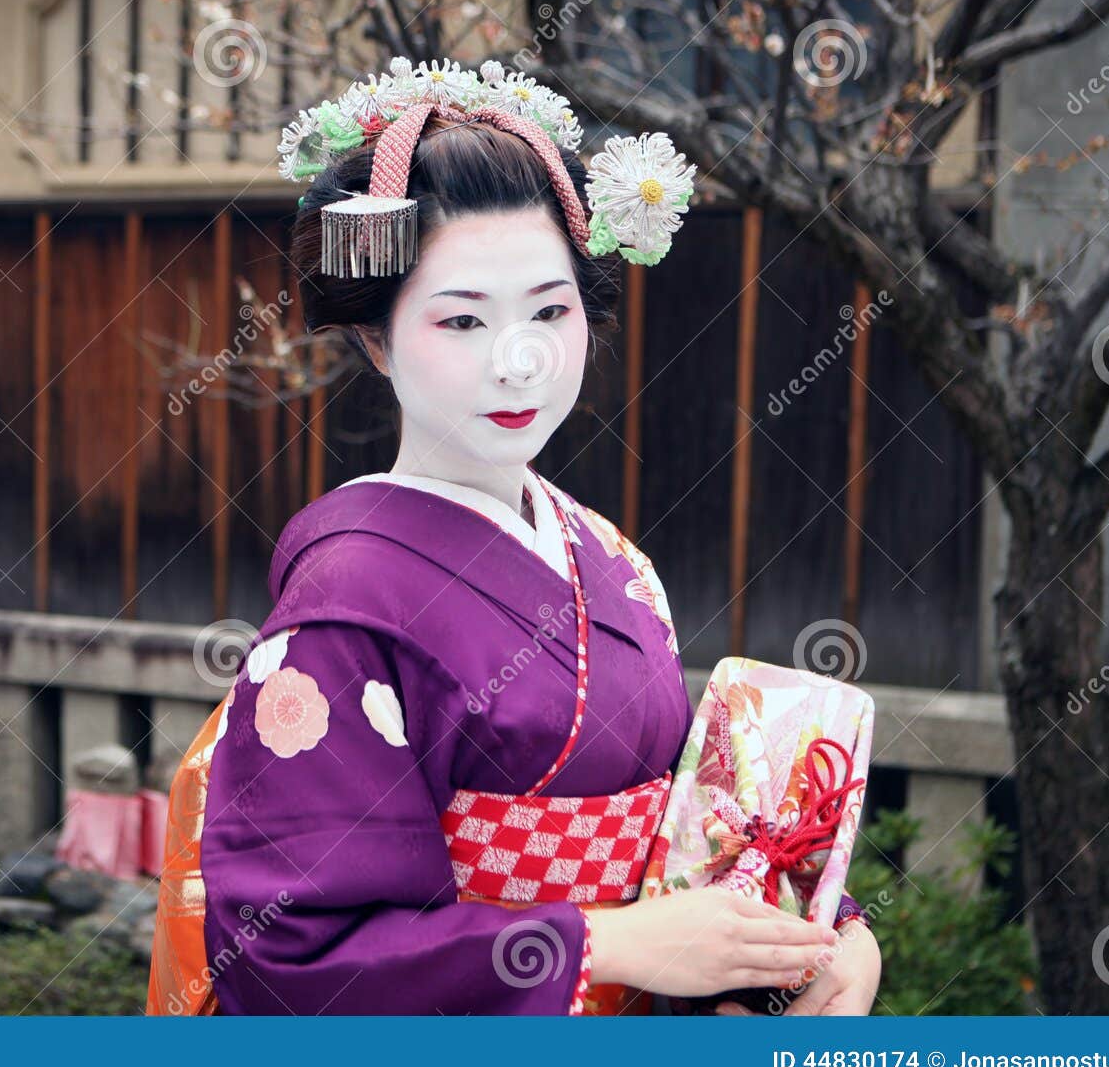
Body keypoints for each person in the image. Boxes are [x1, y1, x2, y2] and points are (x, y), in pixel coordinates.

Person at [147, 58, 880, 1016]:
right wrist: (607, 941)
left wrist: (815, 926)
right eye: (461, 318)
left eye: (549, 309)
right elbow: (291, 949)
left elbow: (682, 825)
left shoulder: (614, 561)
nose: (518, 362)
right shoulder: (344, 610)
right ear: (378, 336)